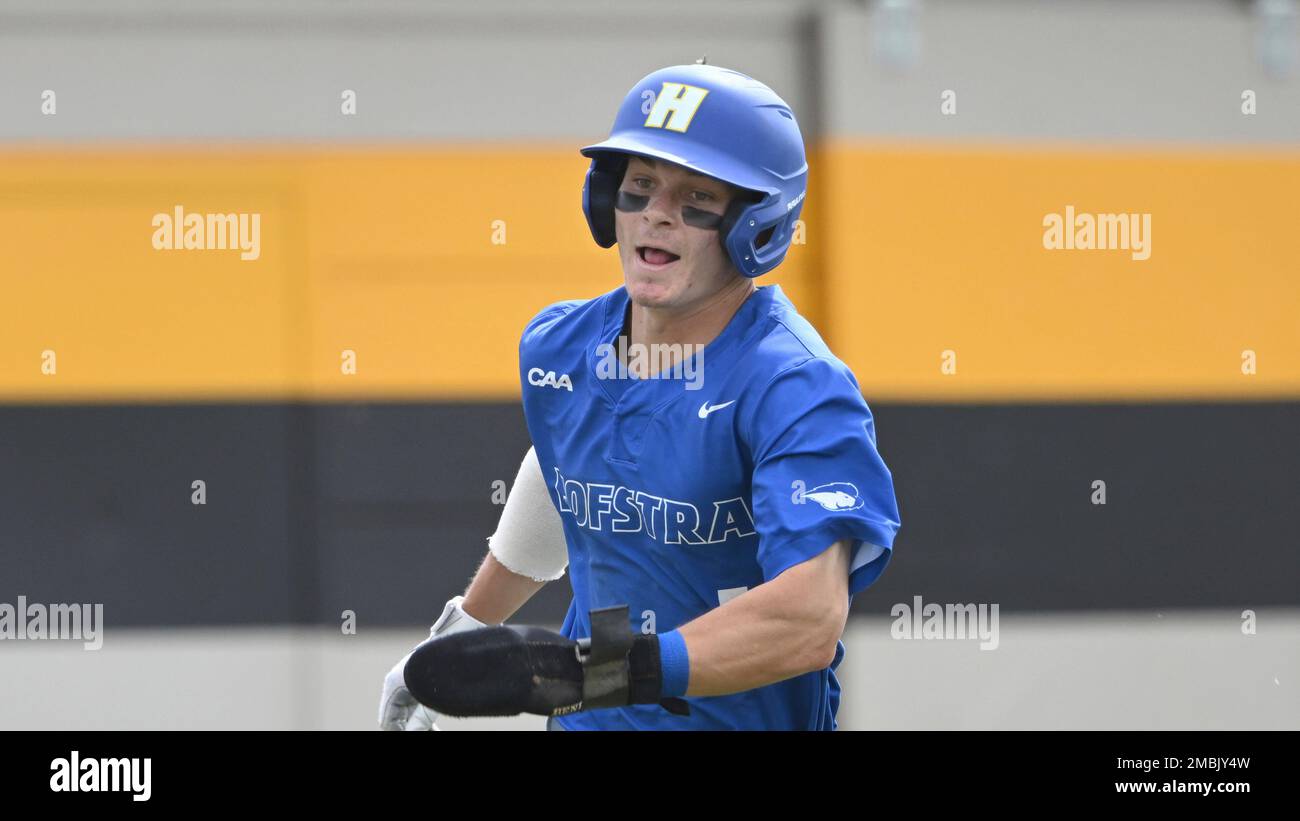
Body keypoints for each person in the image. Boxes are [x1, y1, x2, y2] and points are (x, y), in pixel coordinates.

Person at [380, 62, 900, 731]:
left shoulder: (795, 385)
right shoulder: (559, 345)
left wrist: (597, 671)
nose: (657, 214)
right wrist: (460, 625)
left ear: (758, 226)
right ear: (605, 199)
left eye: (696, 199)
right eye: (642, 186)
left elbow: (808, 620)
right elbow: (564, 466)